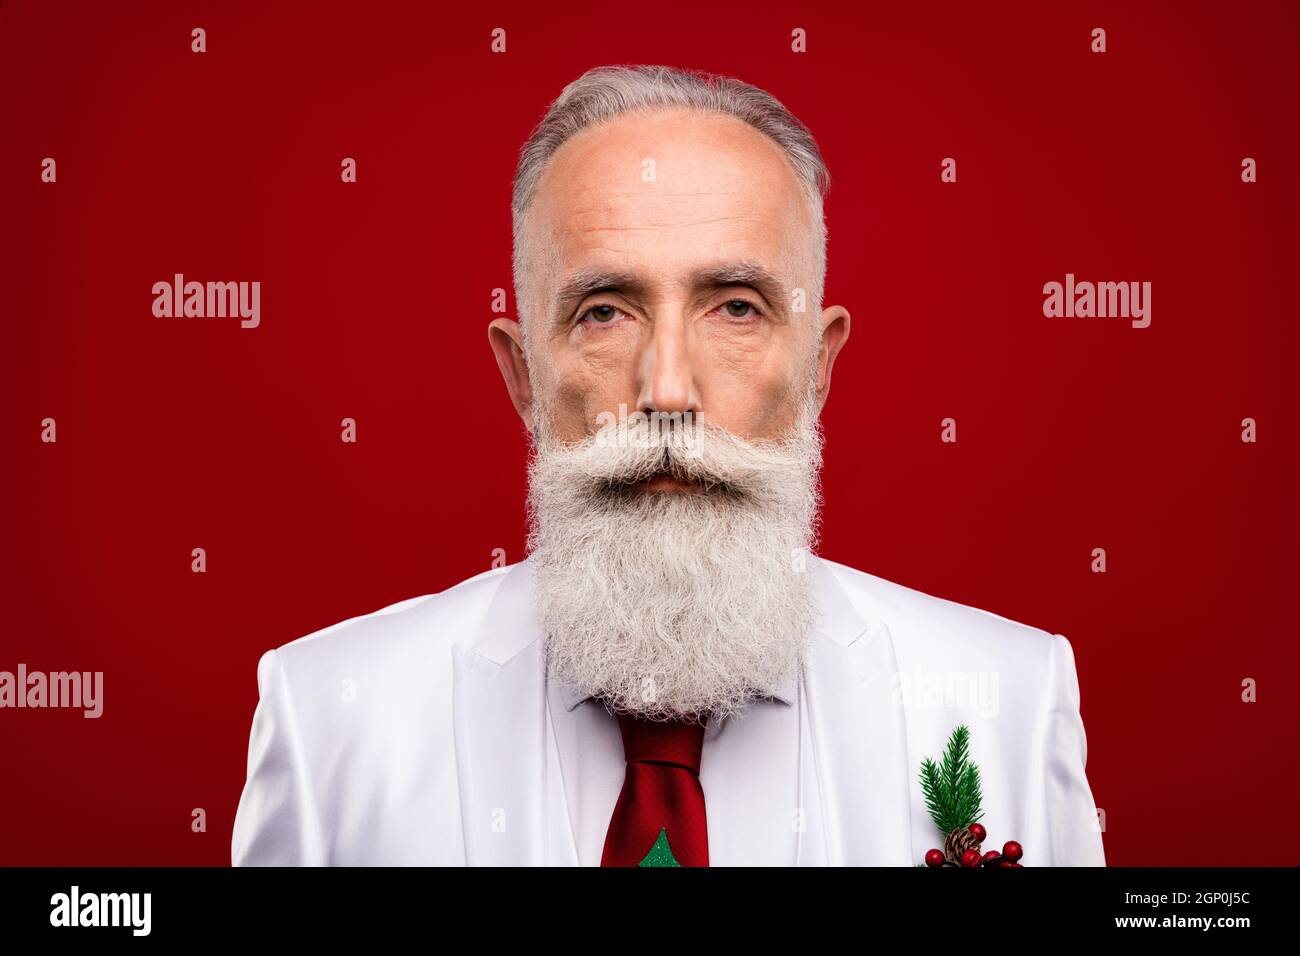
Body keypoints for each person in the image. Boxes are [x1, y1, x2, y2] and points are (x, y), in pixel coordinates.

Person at [231, 64, 1106, 866]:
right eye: (605, 312)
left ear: (820, 369)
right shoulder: (327, 718)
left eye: (735, 307)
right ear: (522, 376)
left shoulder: (1010, 702)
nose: (667, 392)